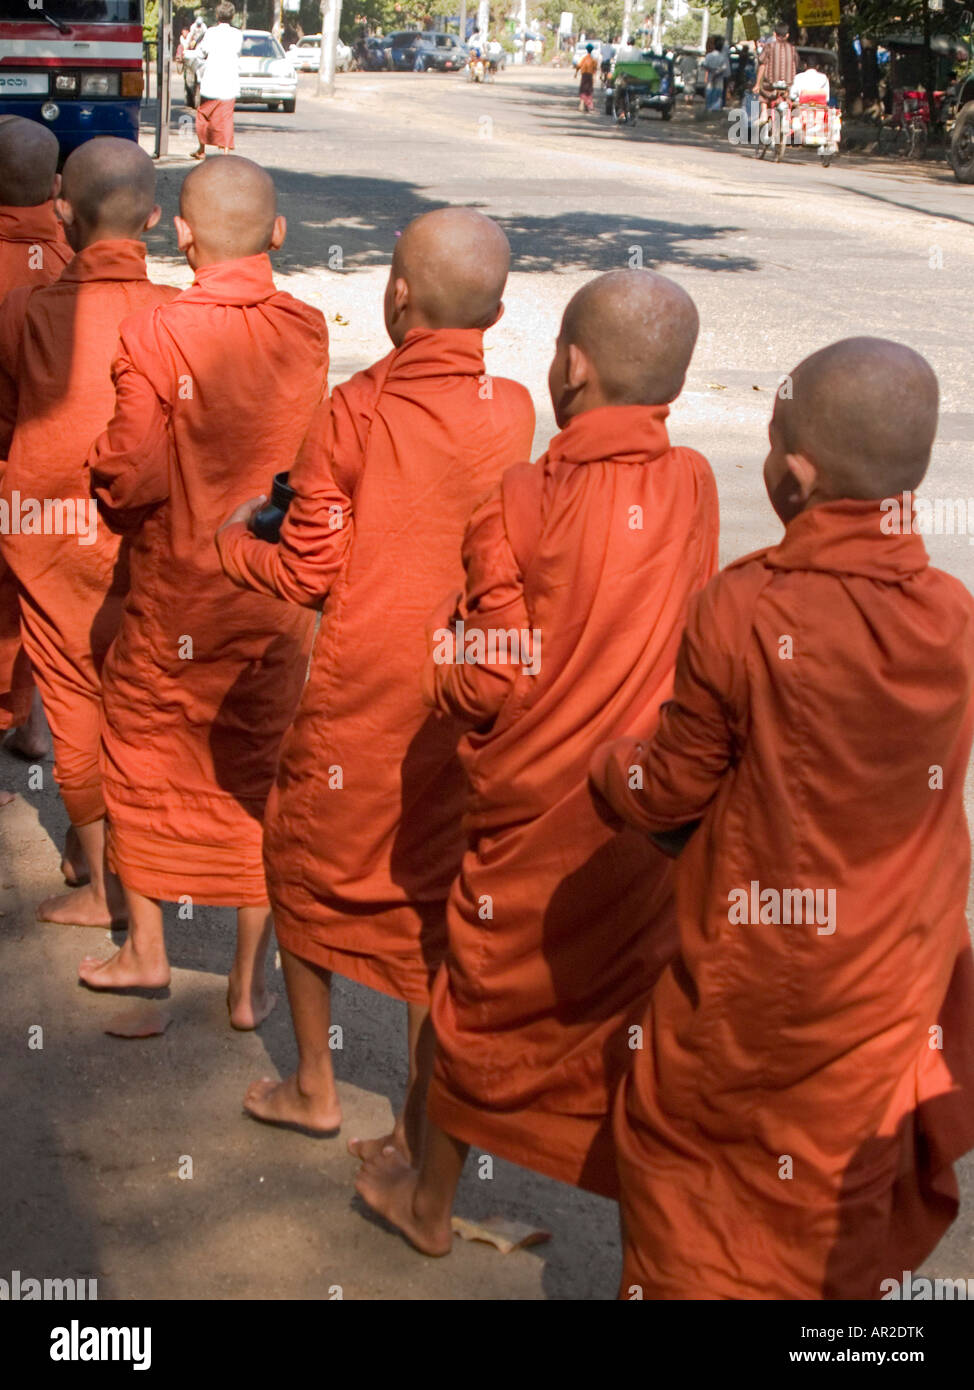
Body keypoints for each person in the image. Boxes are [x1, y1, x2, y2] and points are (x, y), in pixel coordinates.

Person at [591, 337, 974, 1299]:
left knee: (696, 1167)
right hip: (898, 963)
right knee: (842, 1190)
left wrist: (607, 771)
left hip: (768, 968)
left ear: (794, 477)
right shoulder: (953, 617)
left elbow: (671, 788)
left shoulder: (748, 606)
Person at [353, 269, 720, 1256]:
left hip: (532, 816)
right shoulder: (691, 484)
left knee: (473, 1004)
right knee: (618, 1016)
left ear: (570, 366)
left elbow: (487, 682)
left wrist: (442, 645)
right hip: (641, 815)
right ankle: (643, 1235)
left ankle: (425, 1205)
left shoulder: (520, 498)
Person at [216, 209, 534, 1157]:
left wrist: (234, 543)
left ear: (396, 297)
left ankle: (314, 1084)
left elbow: (309, 573)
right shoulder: (513, 408)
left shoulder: (358, 408)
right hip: (463, 694)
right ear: (500, 312)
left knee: (303, 866)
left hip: (363, 687)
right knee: (433, 905)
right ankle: (413, 1129)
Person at [78, 157, 329, 1029]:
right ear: (278, 234)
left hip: (179, 589)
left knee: (143, 750)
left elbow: (136, 470)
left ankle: (146, 953)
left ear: (181, 236)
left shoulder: (154, 334)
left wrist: (99, 473)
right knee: (256, 768)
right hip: (272, 598)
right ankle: (246, 985)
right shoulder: (307, 329)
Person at [0, 139, 177, 928]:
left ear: (65, 211)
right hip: (149, 532)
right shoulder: (179, 314)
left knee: (72, 696)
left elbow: (10, 423)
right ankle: (115, 854)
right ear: (156, 218)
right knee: (133, 693)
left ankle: (101, 880)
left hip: (46, 529)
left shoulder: (28, 313)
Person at [0, 118, 71, 809]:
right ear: (53, 189)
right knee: (34, 604)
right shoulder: (71, 265)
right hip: (50, 475)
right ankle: (32, 726)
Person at [191, 1, 243, 159]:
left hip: (211, 81)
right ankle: (226, 150)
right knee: (226, 118)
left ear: (217, 15)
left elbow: (201, 52)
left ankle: (201, 149)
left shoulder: (211, 32)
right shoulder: (237, 34)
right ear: (232, 16)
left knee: (203, 115)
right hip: (229, 82)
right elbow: (237, 52)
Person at [755, 20, 798, 102]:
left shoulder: (769, 47)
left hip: (770, 87)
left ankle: (764, 113)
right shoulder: (793, 49)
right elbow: (796, 64)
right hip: (788, 87)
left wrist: (757, 85)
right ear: (787, 35)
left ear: (775, 34)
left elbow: (762, 65)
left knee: (763, 100)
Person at [703, 35, 730, 112]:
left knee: (709, 94)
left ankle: (708, 109)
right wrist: (717, 73)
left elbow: (704, 65)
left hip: (710, 78)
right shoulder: (722, 57)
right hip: (719, 79)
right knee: (717, 95)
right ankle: (715, 110)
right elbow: (724, 68)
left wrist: (712, 72)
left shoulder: (709, 56)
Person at [577, 42, 598, 113]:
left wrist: (576, 73)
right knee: (589, 90)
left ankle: (582, 103)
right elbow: (595, 69)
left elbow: (578, 66)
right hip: (590, 76)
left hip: (584, 76)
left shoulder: (584, 58)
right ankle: (588, 105)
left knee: (583, 89)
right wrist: (594, 77)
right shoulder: (593, 60)